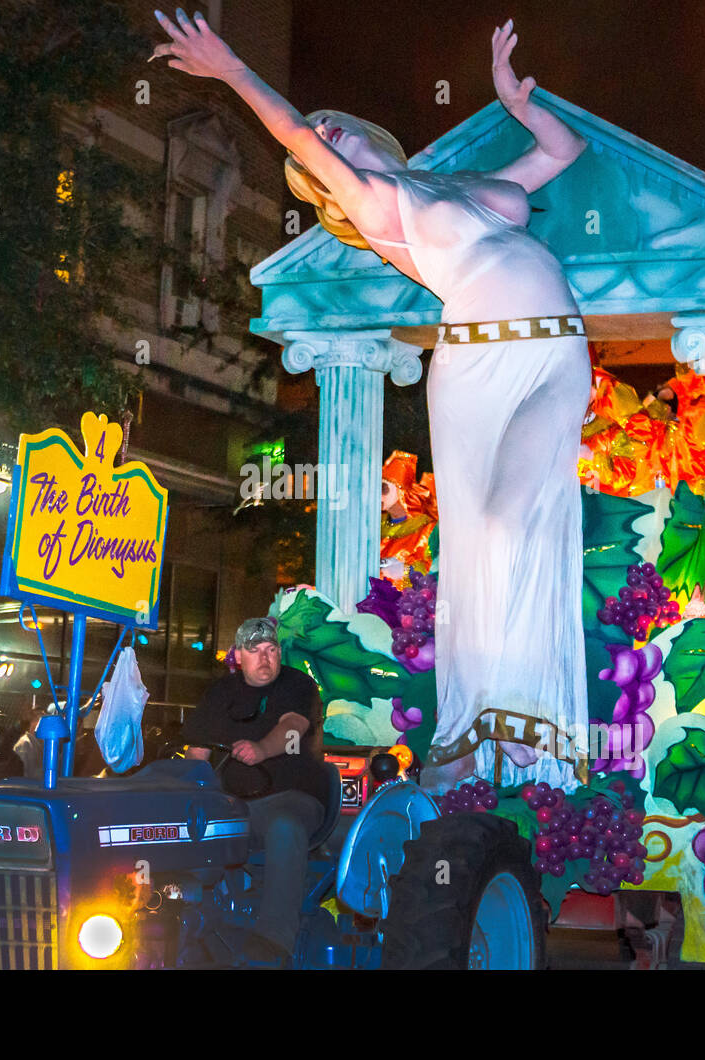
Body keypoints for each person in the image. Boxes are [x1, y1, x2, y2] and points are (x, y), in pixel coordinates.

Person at [151, 12, 591, 792]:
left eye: (334, 123)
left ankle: (525, 715)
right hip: (477, 367)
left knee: (528, 514)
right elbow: (293, 135)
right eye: (319, 147)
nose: (323, 129)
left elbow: (565, 152)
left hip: (552, 354)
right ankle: (494, 721)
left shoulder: (445, 187)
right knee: (490, 525)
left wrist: (515, 101)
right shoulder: (378, 205)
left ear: (366, 129)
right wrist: (231, 70)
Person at [180, 617, 327, 963]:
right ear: (238, 656)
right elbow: (197, 753)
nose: (265, 658)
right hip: (231, 805)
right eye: (255, 650)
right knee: (181, 823)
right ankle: (178, 922)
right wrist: (184, 788)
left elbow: (293, 727)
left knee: (284, 825)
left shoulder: (298, 685)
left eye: (271, 650)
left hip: (293, 798)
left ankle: (274, 940)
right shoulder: (220, 692)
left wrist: (261, 749)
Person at [12, 708, 45, 780]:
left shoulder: (39, 743)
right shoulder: (24, 744)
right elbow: (21, 773)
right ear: (33, 723)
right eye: (41, 721)